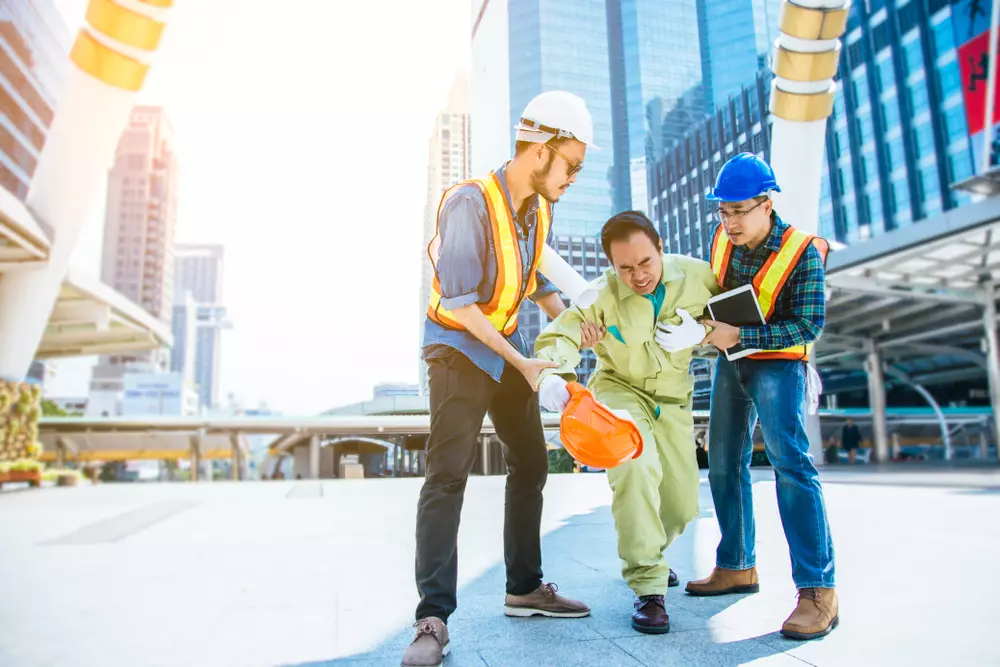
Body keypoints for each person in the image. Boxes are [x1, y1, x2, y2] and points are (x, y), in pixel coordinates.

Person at [403, 91, 598, 667]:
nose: (574, 178)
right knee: (447, 476)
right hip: (459, 349)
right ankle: (432, 617)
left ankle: (523, 588)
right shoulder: (469, 202)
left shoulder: (537, 210)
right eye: (572, 165)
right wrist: (522, 363)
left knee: (532, 462)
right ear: (541, 150)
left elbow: (532, 280)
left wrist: (576, 321)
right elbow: (463, 307)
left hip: (505, 344)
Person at [533, 210, 719, 634]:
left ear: (660, 246)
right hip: (619, 392)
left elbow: (743, 314)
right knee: (634, 465)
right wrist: (551, 378)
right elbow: (558, 338)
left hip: (673, 402)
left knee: (683, 502)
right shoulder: (599, 296)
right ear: (611, 267)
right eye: (625, 268)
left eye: (646, 263)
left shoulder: (700, 276)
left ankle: (652, 551)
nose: (638, 276)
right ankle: (649, 586)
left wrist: (704, 332)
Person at [683, 153, 838, 641]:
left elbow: (809, 325)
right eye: (722, 212)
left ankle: (819, 591)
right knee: (724, 462)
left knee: (791, 466)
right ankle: (736, 565)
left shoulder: (803, 252)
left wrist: (745, 337)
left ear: (766, 204)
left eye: (738, 211)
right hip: (732, 361)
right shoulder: (723, 244)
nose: (728, 222)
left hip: (780, 366)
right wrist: (708, 327)